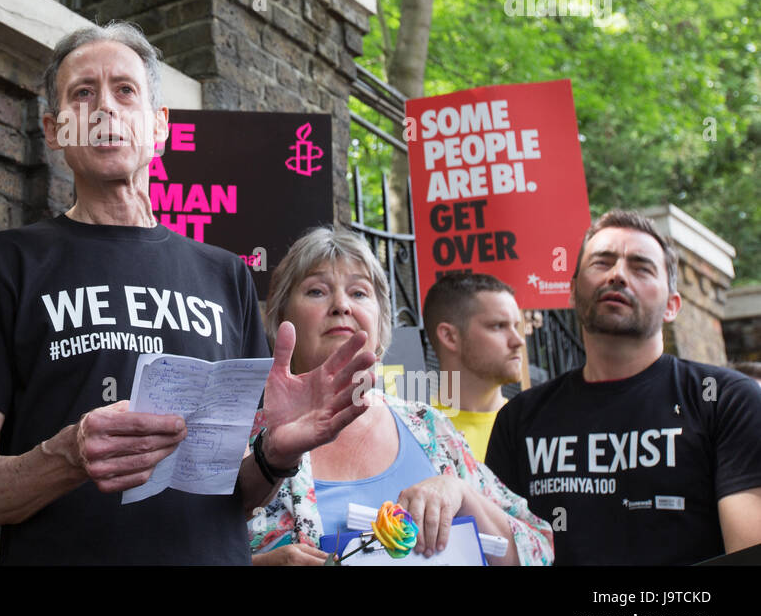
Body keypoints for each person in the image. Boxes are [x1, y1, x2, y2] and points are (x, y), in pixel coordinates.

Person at [0, 21, 377, 565]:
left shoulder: (226, 275)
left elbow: (237, 497)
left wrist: (275, 455)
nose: (104, 109)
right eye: (82, 93)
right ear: (53, 128)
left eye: (125, 90)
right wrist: (66, 456)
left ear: (159, 127)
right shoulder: (7, 264)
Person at [248, 228, 553, 566]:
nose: (341, 305)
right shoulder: (243, 436)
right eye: (317, 291)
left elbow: (540, 549)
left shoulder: (429, 428)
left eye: (359, 292)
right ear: (280, 319)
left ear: (381, 321)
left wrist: (462, 495)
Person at [486, 210, 761, 565]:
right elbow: (498, 550)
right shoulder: (518, 419)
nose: (617, 275)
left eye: (641, 267)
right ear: (571, 291)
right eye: (602, 263)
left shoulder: (729, 401)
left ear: (672, 306)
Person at [423, 272, 525, 460]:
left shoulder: (533, 425)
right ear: (449, 337)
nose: (518, 341)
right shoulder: (415, 432)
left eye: (516, 326)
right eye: (498, 326)